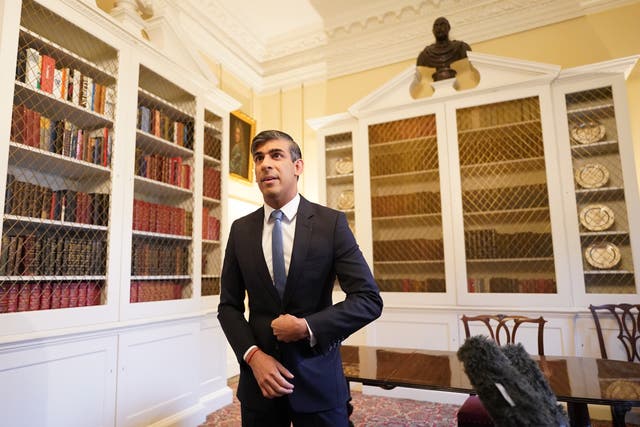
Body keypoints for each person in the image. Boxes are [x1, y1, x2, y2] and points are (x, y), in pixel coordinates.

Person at [218, 129, 383, 426]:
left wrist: (307, 327)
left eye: (276, 155)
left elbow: (368, 300)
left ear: (298, 167)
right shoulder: (240, 230)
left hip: (318, 380)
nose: (265, 164)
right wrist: (253, 356)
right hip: (260, 385)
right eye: (259, 158)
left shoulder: (331, 224)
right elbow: (228, 306)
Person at [416, 16, 471, 81]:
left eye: (442, 24)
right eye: (436, 26)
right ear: (433, 31)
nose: (439, 28)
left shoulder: (461, 48)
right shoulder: (424, 55)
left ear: (448, 28)